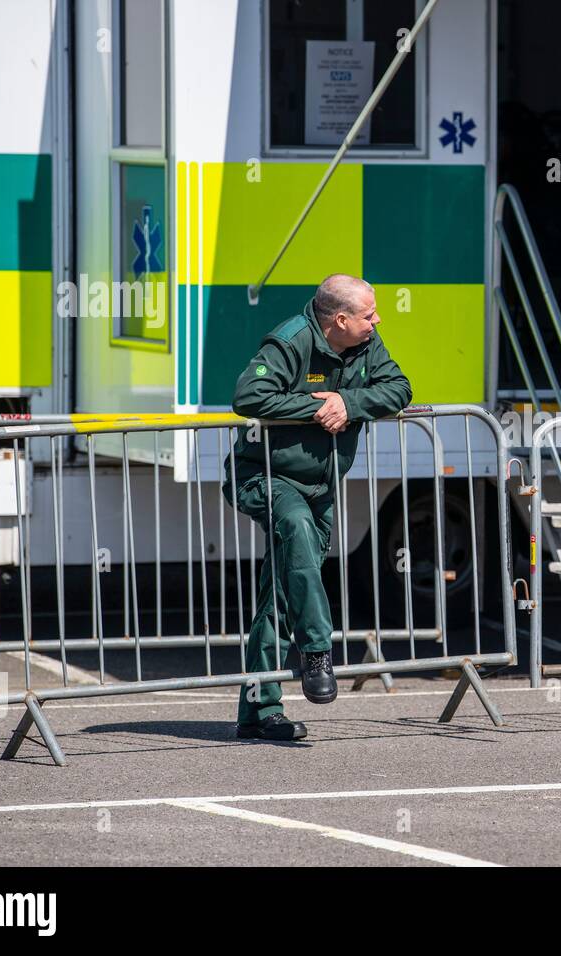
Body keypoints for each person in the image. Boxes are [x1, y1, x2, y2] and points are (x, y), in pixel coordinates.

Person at [224, 275, 412, 741]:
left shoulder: (366, 342)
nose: (377, 320)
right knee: (296, 529)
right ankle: (317, 650)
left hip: (321, 485)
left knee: (281, 595)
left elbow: (400, 388)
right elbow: (247, 396)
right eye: (369, 314)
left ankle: (259, 712)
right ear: (340, 320)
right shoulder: (291, 340)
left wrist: (348, 402)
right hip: (265, 477)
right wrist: (315, 407)